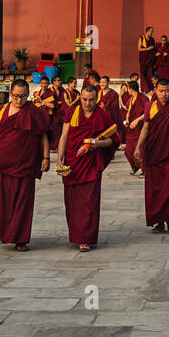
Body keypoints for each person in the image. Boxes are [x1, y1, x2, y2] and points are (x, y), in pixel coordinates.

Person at [0, 79, 53, 251]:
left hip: (25, 164)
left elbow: (42, 135)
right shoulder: (0, 111)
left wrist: (45, 158)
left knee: (22, 203)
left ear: (28, 96)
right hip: (3, 165)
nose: (19, 100)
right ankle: (3, 225)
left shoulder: (34, 113)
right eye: (15, 96)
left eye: (22, 97)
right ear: (9, 94)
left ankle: (20, 240)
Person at [56, 84, 117, 252]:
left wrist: (96, 143)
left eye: (91, 100)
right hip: (72, 163)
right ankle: (76, 235)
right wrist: (59, 160)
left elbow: (112, 140)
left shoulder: (103, 115)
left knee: (89, 203)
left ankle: (86, 238)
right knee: (73, 203)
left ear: (96, 99)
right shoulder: (72, 112)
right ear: (80, 98)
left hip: (91, 166)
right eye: (84, 99)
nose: (87, 103)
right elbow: (64, 137)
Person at [134, 78, 169, 233]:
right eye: (161, 91)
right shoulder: (149, 106)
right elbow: (145, 128)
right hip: (153, 153)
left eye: (167, 91)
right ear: (155, 90)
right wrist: (138, 147)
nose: (164, 94)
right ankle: (159, 221)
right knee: (155, 189)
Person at [119, 75, 148, 176]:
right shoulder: (130, 99)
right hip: (131, 129)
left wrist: (136, 120)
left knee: (141, 150)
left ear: (131, 89)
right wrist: (127, 119)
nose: (127, 91)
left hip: (140, 128)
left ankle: (144, 170)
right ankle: (135, 166)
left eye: (128, 89)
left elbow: (147, 113)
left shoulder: (143, 98)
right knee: (128, 151)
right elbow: (128, 110)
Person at [97, 74, 121, 144]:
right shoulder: (98, 92)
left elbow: (115, 107)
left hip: (109, 117)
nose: (102, 84)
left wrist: (105, 108)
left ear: (108, 83)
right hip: (99, 117)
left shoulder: (114, 94)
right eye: (101, 82)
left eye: (104, 82)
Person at [137, 26, 157, 91]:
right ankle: (145, 89)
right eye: (151, 32)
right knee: (143, 74)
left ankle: (150, 88)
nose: (152, 34)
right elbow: (139, 49)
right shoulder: (142, 38)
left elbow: (154, 49)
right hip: (143, 59)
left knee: (150, 74)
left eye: (152, 32)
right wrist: (147, 49)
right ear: (147, 31)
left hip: (150, 60)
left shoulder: (152, 39)